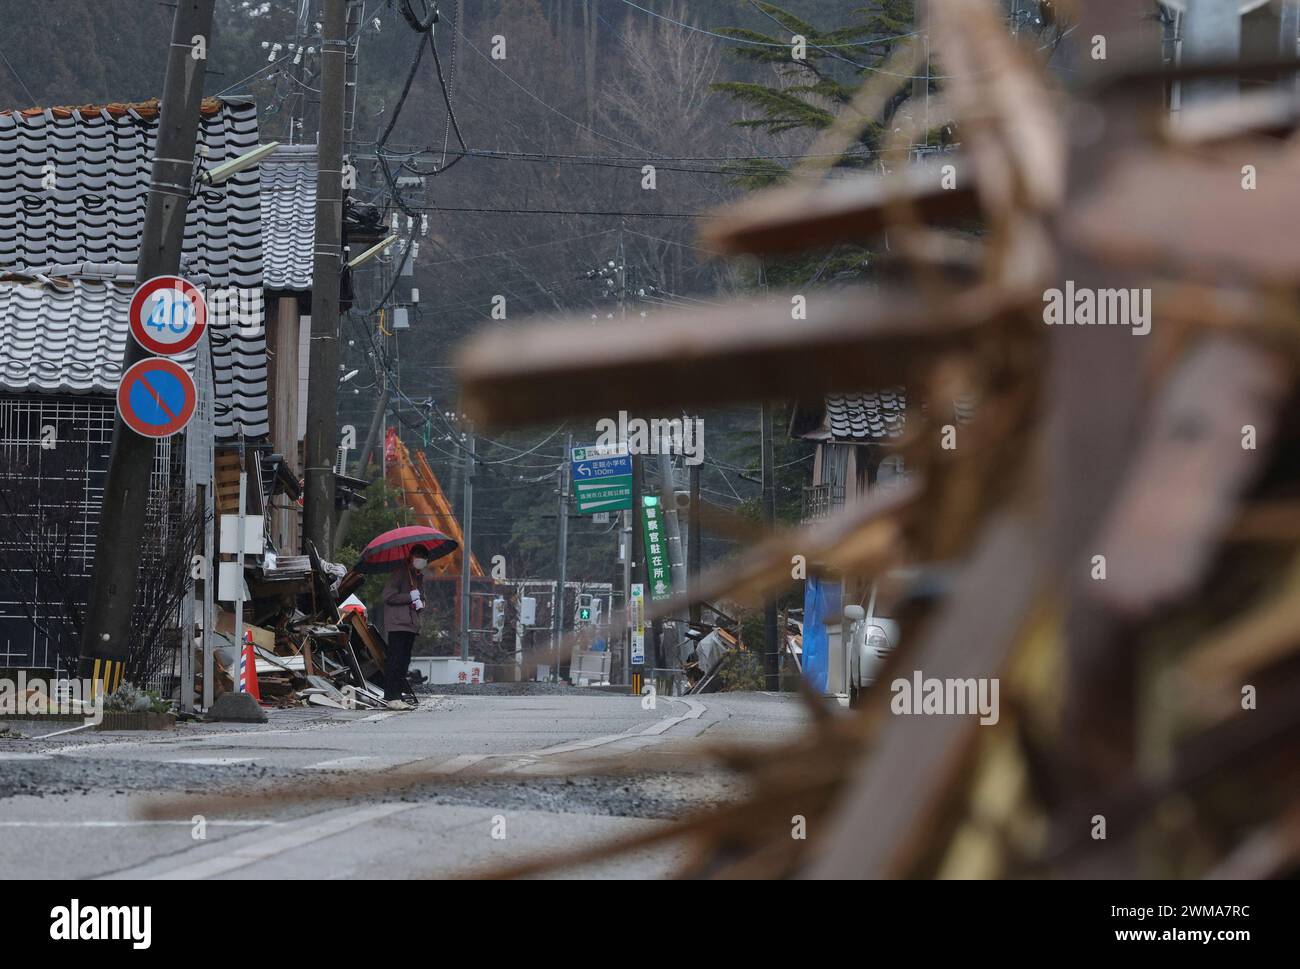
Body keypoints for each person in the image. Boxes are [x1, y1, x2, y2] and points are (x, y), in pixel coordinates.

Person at [381, 545, 428, 711]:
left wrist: (419, 601)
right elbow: (388, 596)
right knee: (396, 659)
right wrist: (410, 597)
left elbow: (419, 597)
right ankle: (391, 696)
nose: (421, 560)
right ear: (411, 556)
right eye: (419, 556)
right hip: (398, 623)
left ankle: (398, 695)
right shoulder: (400, 573)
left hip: (410, 624)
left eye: (424, 557)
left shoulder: (417, 577)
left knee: (404, 661)